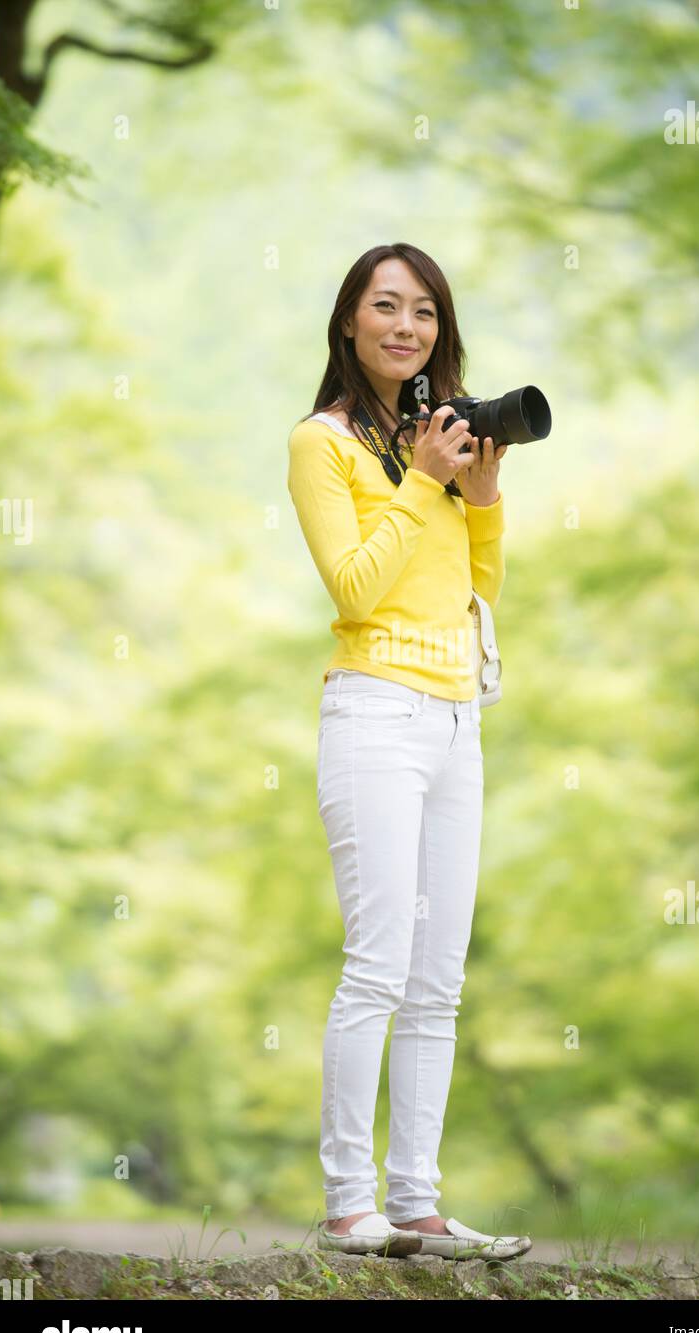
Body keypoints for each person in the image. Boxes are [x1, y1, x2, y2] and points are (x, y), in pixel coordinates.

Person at [287, 242, 532, 1262]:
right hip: (374, 713)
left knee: (438, 981)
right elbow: (354, 588)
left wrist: (475, 489)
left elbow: (480, 585)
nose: (405, 326)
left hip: (453, 716)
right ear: (348, 321)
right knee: (378, 967)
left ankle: (418, 1203)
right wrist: (415, 481)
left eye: (424, 311)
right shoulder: (322, 442)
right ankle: (351, 1205)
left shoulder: (438, 436)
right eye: (384, 306)